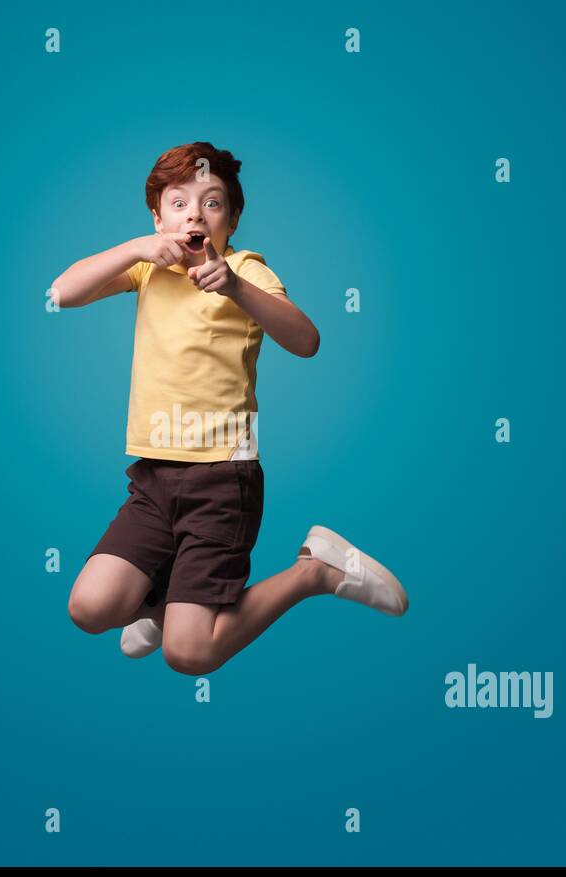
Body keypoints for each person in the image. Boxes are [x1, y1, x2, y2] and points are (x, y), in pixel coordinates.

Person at [50, 142, 408, 675]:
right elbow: (62, 292)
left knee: (189, 654)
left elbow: (306, 340)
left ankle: (313, 572)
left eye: (211, 202)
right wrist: (138, 249)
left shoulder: (246, 270)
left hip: (222, 482)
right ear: (158, 216)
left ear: (232, 219)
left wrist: (237, 287)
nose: (194, 213)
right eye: (178, 202)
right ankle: (161, 600)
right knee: (90, 607)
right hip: (153, 478)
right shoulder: (149, 270)